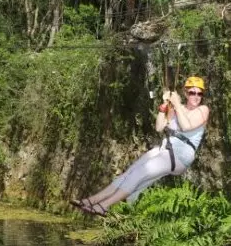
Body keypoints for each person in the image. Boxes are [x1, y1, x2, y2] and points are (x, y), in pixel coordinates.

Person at [70, 76, 210, 217]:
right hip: (165, 150)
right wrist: (163, 109)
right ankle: (93, 201)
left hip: (179, 156)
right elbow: (159, 127)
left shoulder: (203, 110)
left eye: (199, 93)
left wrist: (177, 105)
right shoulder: (177, 109)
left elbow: (186, 127)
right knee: (130, 174)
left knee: (140, 173)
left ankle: (103, 206)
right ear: (186, 93)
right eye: (192, 92)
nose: (196, 96)